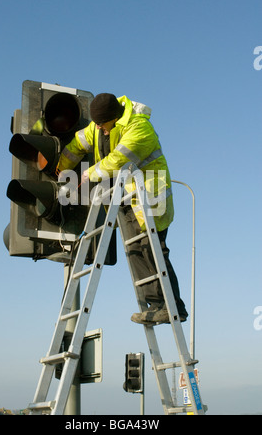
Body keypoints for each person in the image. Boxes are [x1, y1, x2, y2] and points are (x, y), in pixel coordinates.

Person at [56, 93, 188, 324]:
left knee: (152, 249)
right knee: (135, 251)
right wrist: (61, 166)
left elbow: (119, 160)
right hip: (125, 199)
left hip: (149, 198)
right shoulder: (98, 128)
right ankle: (157, 305)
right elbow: (77, 144)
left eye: (102, 124)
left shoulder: (140, 127)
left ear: (114, 118)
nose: (98, 129)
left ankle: (171, 307)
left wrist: (90, 173)